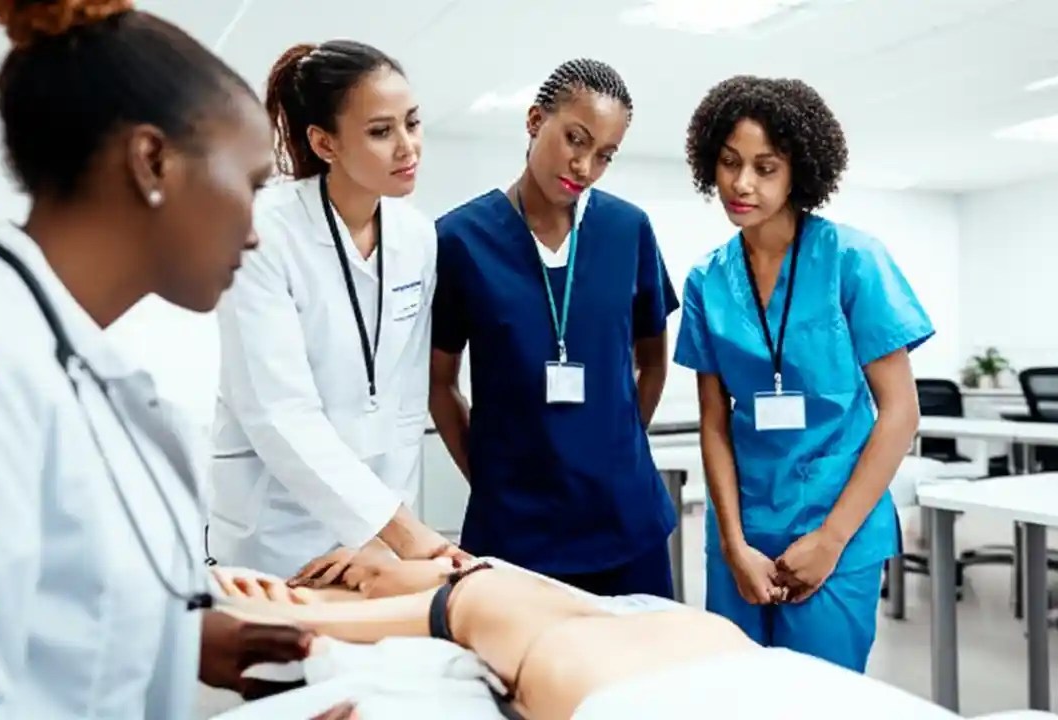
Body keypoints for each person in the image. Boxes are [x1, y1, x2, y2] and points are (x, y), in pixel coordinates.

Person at [0, 1, 351, 716]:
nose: (254, 235)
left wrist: (179, 640)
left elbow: (60, 618)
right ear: (152, 161)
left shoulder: (85, 368)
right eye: (249, 186)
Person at [671, 75, 934, 671]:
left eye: (766, 167)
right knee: (735, 694)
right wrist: (735, 546)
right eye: (729, 162)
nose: (741, 183)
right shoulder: (706, 280)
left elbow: (901, 413)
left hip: (834, 529)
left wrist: (831, 540)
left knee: (820, 697)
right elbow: (714, 423)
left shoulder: (853, 260)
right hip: (742, 531)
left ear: (799, 173)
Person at [206, 40, 464, 582]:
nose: (407, 147)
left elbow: (402, 403)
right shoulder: (262, 232)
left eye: (412, 123)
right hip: (275, 530)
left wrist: (388, 540)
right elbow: (279, 412)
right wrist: (399, 532)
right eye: (380, 131)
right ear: (325, 143)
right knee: (287, 661)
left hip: (379, 532)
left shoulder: (416, 236)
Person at [430, 58, 680, 597]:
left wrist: (618, 446)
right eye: (575, 139)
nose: (585, 165)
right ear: (534, 119)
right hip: (514, 532)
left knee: (637, 673)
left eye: (605, 155)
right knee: (515, 677)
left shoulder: (627, 230)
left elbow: (653, 359)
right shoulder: (460, 239)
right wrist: (490, 476)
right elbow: (439, 382)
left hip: (624, 522)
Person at [215, 558, 937, 720]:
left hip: (760, 680)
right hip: (710, 682)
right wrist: (305, 608)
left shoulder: (493, 590)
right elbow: (294, 628)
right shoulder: (479, 599)